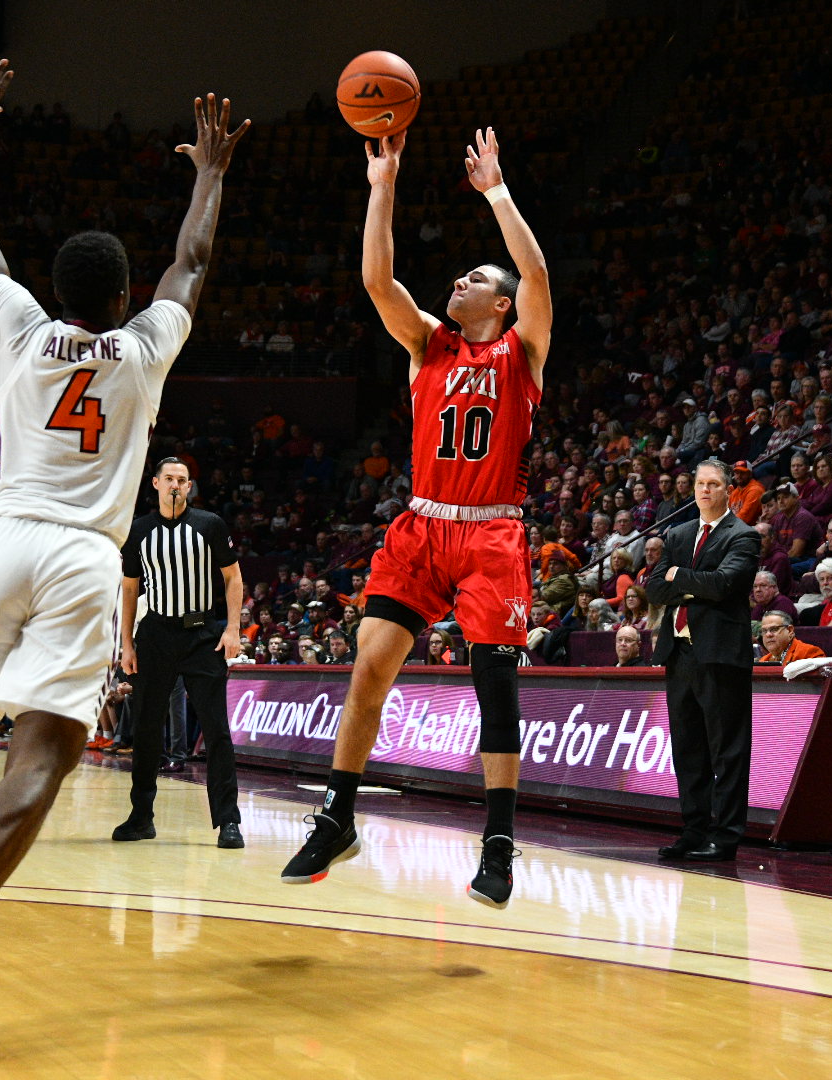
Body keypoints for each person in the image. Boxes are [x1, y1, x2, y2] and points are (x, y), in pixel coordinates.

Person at [0, 60, 249, 1059]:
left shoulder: (19, 328)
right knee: (43, 756)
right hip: (86, 559)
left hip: (0, 544)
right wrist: (208, 173)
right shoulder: (144, 350)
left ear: (55, 291)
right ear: (125, 299)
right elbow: (195, 260)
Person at [280, 125, 550, 910]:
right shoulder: (427, 347)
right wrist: (383, 183)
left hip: (492, 532)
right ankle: (338, 814)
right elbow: (377, 280)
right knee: (368, 666)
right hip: (423, 527)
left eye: (472, 279)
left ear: (498, 304)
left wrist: (496, 192)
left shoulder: (521, 351)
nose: (454, 285)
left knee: (494, 685)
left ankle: (497, 840)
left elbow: (532, 270)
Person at [112, 457, 244, 848]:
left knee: (217, 730)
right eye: (168, 478)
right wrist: (127, 643)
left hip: (202, 634)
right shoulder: (138, 531)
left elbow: (233, 577)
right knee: (147, 729)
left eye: (182, 479)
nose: (175, 484)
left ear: (189, 487)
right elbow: (130, 587)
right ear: (155, 483)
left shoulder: (210, 524)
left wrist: (233, 628)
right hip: (155, 635)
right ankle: (140, 818)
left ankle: (228, 822)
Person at [646, 459, 760, 861]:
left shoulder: (742, 535)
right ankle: (693, 830)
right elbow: (655, 589)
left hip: (721, 655)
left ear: (728, 490)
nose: (705, 490)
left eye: (713, 484)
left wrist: (681, 577)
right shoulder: (677, 534)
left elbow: (725, 584)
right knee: (688, 747)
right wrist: (687, 584)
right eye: (699, 484)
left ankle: (725, 835)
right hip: (679, 652)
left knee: (727, 749)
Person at [755, 610, 825, 668]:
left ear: (790, 630)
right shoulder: (764, 660)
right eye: (764, 631)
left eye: (774, 629)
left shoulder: (809, 653)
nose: (768, 634)